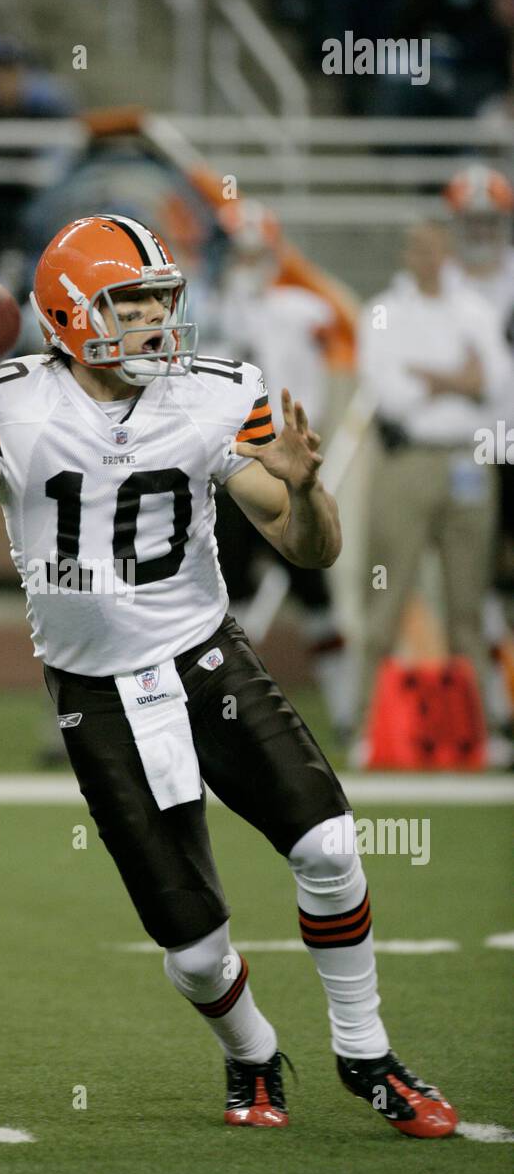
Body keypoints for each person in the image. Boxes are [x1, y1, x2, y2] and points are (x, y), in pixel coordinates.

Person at [0, 214, 458, 1137]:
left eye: (162, 299)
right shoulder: (4, 399)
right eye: (131, 302)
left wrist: (307, 489)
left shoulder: (218, 392)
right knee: (194, 953)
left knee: (330, 848)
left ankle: (367, 1053)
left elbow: (310, 550)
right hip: (94, 690)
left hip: (204, 658)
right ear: (71, 315)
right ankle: (252, 1054)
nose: (156, 319)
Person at [355, 220, 512, 760]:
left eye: (437, 246)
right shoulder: (382, 312)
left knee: (469, 602)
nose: (429, 256)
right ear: (407, 253)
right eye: (419, 247)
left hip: (469, 458)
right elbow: (390, 394)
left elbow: (497, 387)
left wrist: (433, 377)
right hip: (409, 461)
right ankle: (365, 729)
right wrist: (460, 380)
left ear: (447, 251)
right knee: (386, 594)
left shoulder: (475, 310)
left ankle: (481, 731)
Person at [206, 200, 356, 741]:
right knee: (229, 601)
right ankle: (228, 712)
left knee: (317, 597)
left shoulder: (298, 309)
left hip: (286, 468)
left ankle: (344, 714)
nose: (246, 263)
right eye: (238, 252)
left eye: (255, 252)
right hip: (232, 472)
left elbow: (341, 328)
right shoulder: (206, 312)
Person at [443, 164, 514, 738]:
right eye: (473, 222)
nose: (482, 231)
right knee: (475, 581)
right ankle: (494, 705)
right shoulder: (440, 285)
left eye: (490, 221)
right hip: (466, 449)